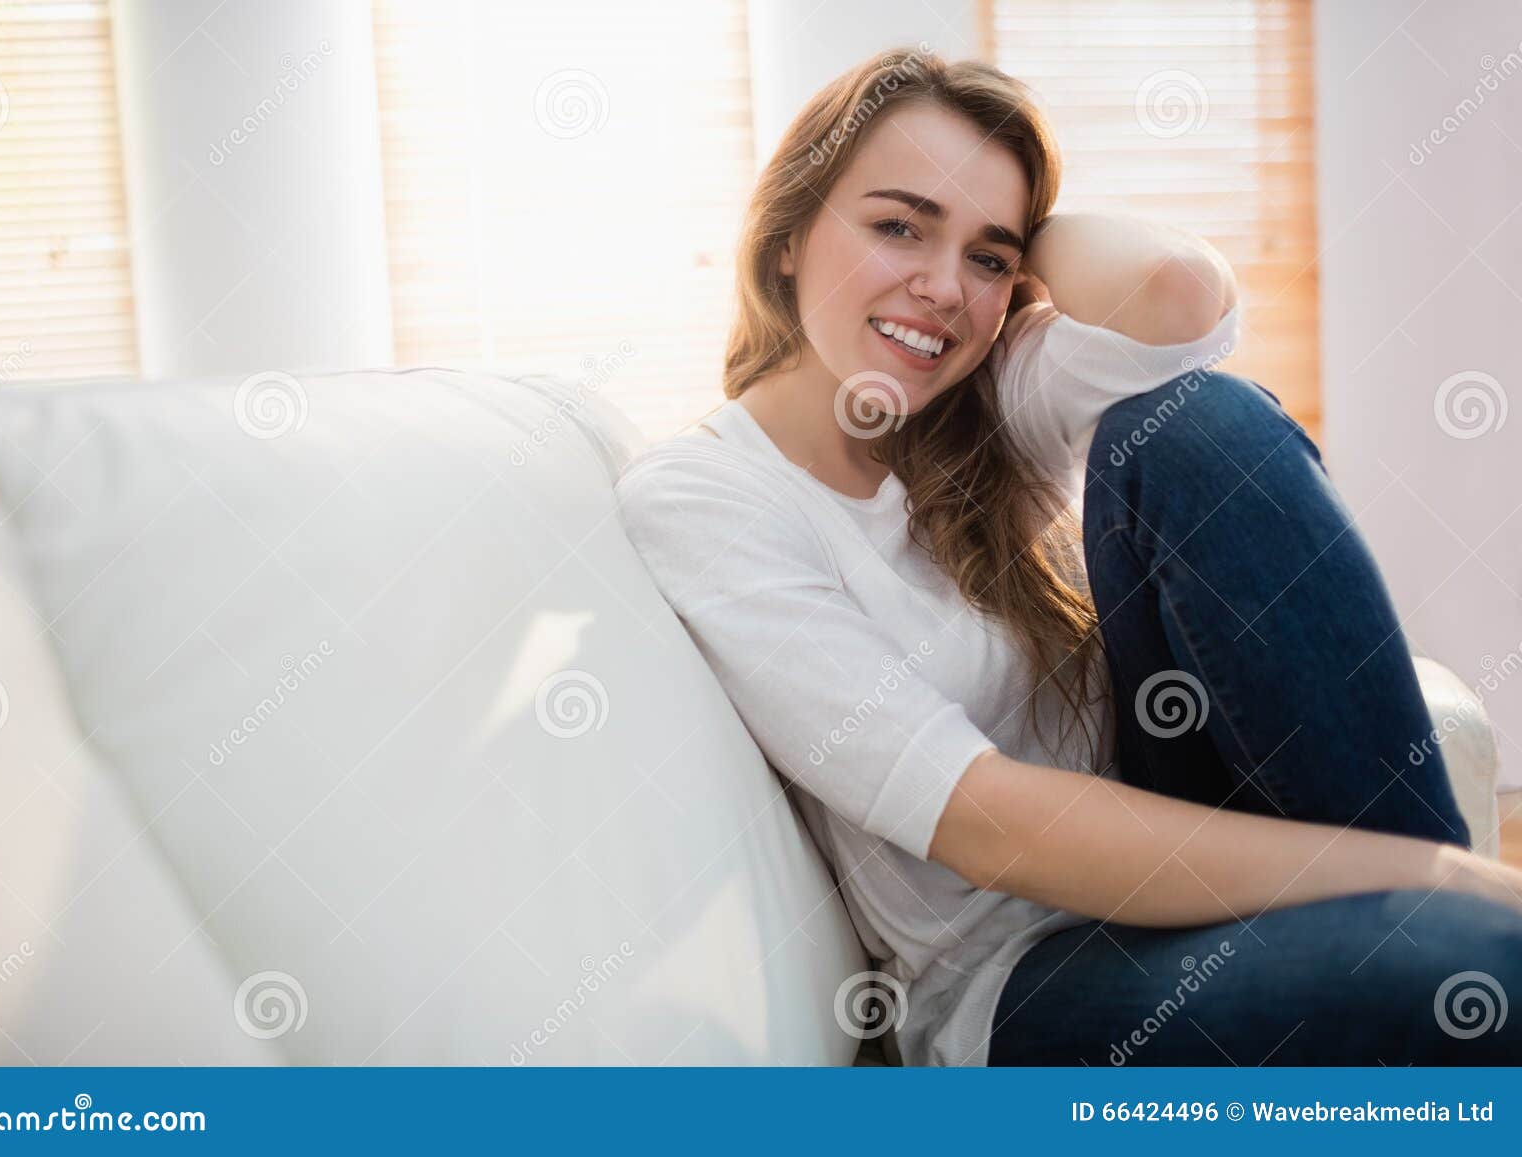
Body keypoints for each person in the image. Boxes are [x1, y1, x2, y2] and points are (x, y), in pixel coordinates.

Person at [612, 46, 1522, 1066]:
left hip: (1182, 824)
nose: (942, 286)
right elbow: (985, 822)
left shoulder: (982, 395)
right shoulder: (705, 495)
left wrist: (1014, 231)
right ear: (786, 238)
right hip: (1029, 969)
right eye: (897, 225)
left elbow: (1178, 293)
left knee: (1195, 423)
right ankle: (1447, 909)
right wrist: (1423, 872)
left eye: (988, 256)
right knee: (1468, 959)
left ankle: (1450, 912)